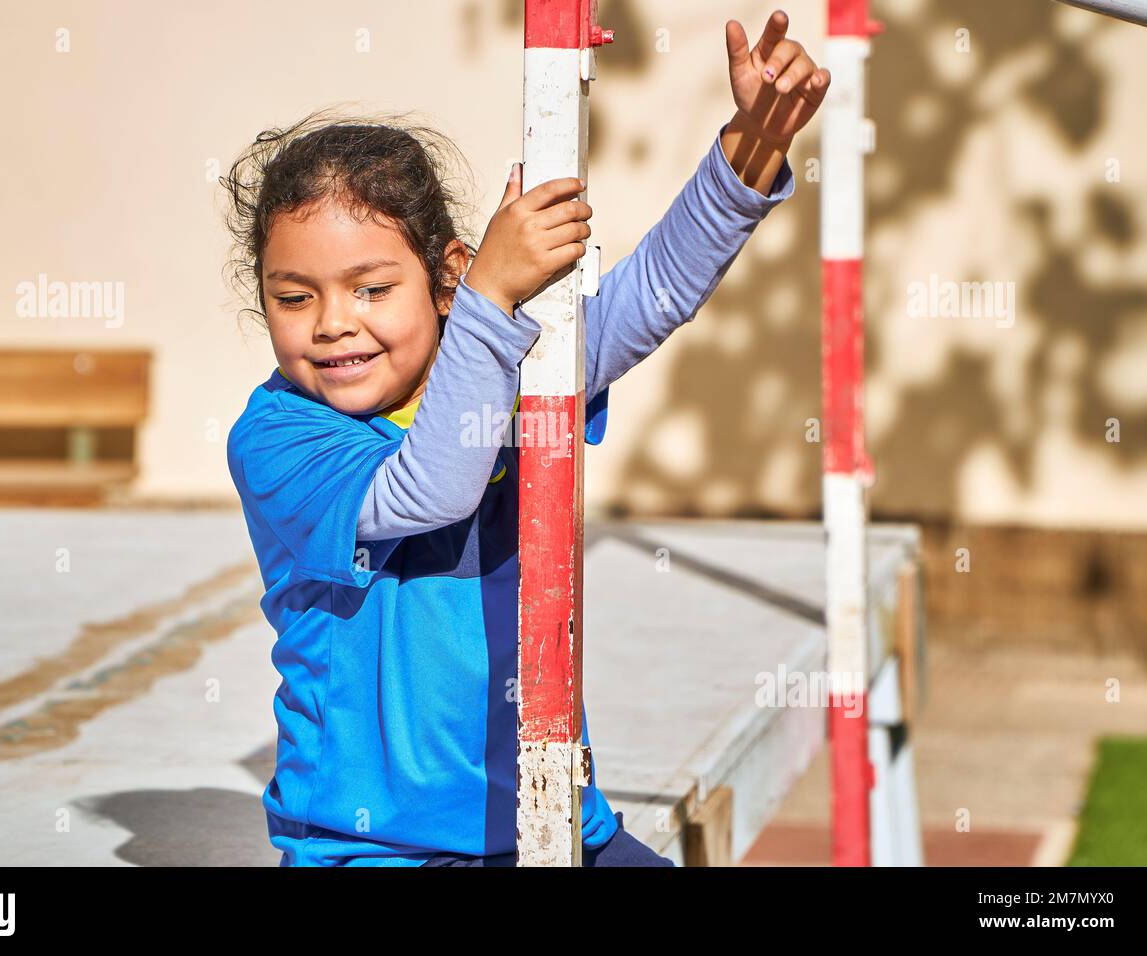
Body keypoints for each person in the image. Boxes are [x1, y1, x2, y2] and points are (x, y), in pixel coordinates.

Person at [222, 10, 829, 866]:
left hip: (552, 819)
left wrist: (748, 153)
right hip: (374, 849)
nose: (332, 324)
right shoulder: (281, 436)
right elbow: (430, 486)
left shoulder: (503, 356)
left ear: (441, 277)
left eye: (370, 288)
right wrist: (489, 300)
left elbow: (648, 297)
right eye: (295, 297)